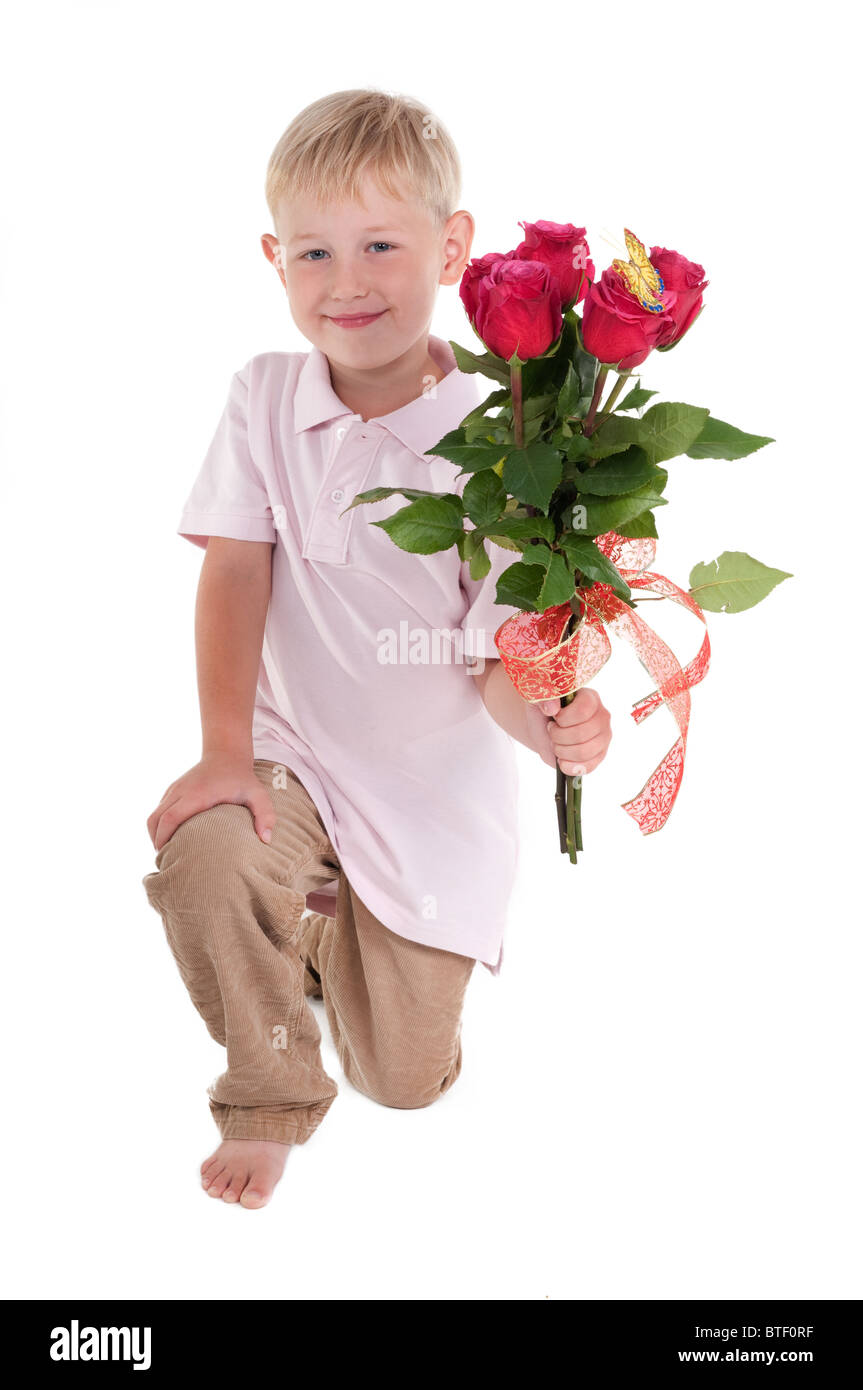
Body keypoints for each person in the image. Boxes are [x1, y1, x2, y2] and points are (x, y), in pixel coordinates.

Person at [142, 88, 613, 1209]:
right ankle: (268, 1085)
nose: (344, 281)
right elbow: (234, 569)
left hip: (423, 808)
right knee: (205, 854)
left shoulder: (501, 442)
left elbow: (497, 651)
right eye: (313, 251)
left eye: (380, 246)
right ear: (273, 258)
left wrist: (552, 723)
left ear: (451, 249)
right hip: (291, 760)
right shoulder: (263, 397)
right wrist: (220, 753)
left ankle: (332, 944)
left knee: (404, 1083)